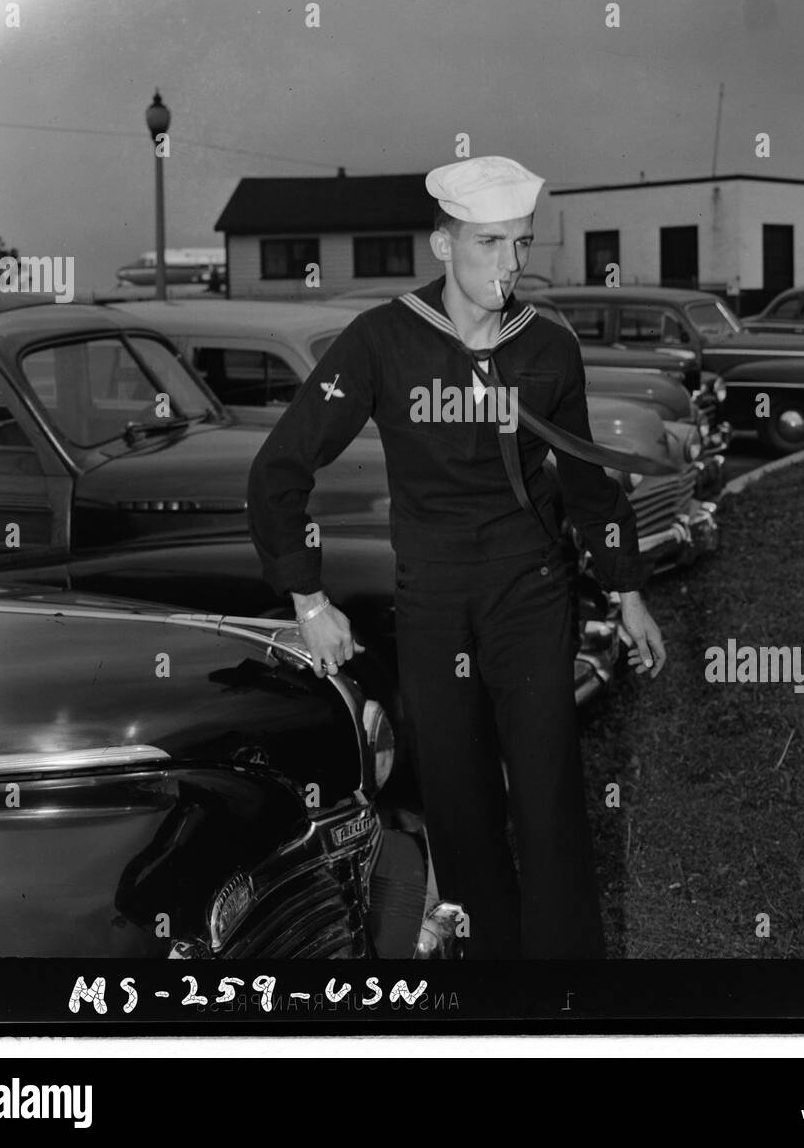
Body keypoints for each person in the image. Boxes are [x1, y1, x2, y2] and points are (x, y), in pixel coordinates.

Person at [247, 154, 666, 959]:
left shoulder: (547, 345)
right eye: (487, 243)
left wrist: (626, 590)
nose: (509, 264)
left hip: (530, 590)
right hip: (434, 597)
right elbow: (279, 469)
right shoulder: (380, 340)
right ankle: (486, 980)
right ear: (442, 245)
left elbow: (586, 480)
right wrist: (307, 599)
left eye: (520, 243)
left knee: (547, 799)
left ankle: (568, 991)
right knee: (457, 801)